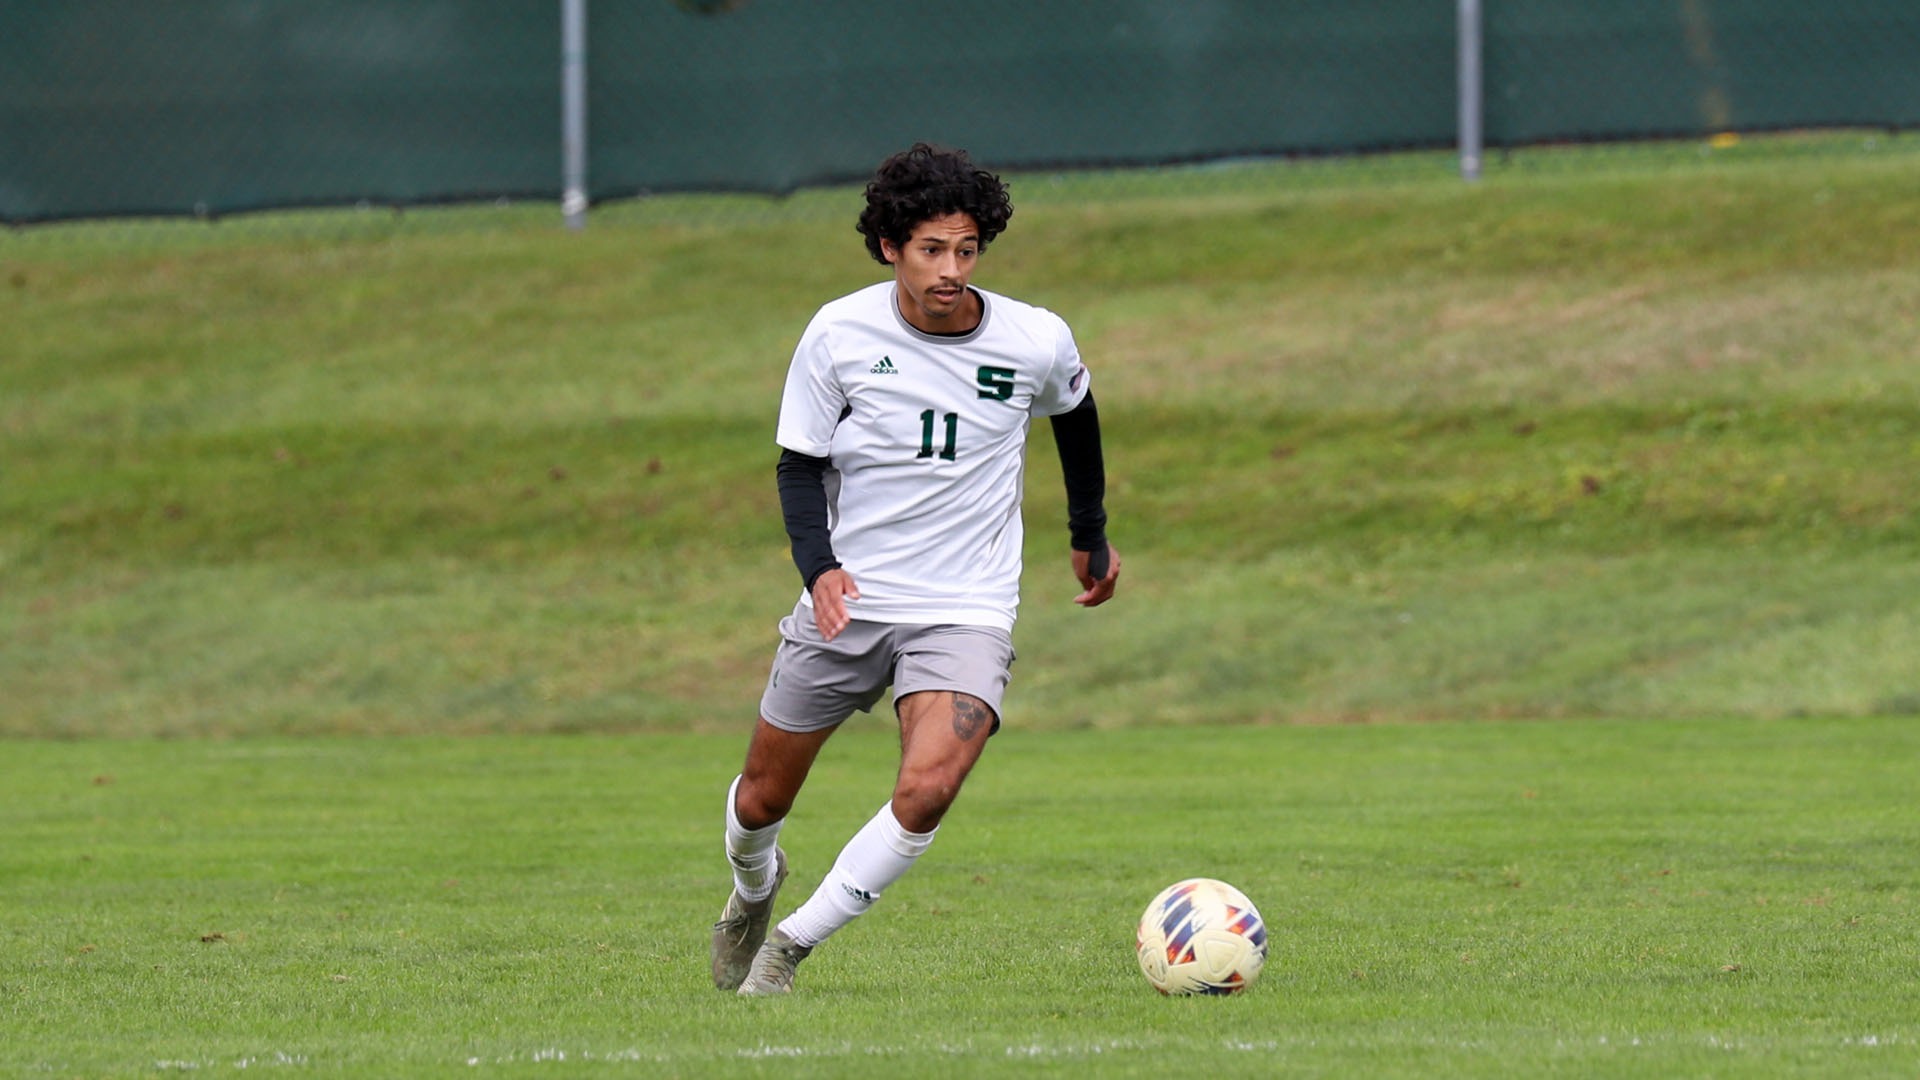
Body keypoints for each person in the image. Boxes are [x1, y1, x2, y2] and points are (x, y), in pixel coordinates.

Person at [710, 142, 1120, 996]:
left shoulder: (1034, 338)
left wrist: (1089, 531)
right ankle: (754, 889)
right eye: (932, 249)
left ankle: (788, 948)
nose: (950, 269)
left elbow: (1076, 418)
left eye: (966, 250)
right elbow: (797, 465)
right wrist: (819, 569)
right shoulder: (839, 333)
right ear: (890, 246)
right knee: (759, 801)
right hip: (851, 598)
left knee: (931, 786)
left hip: (966, 606)